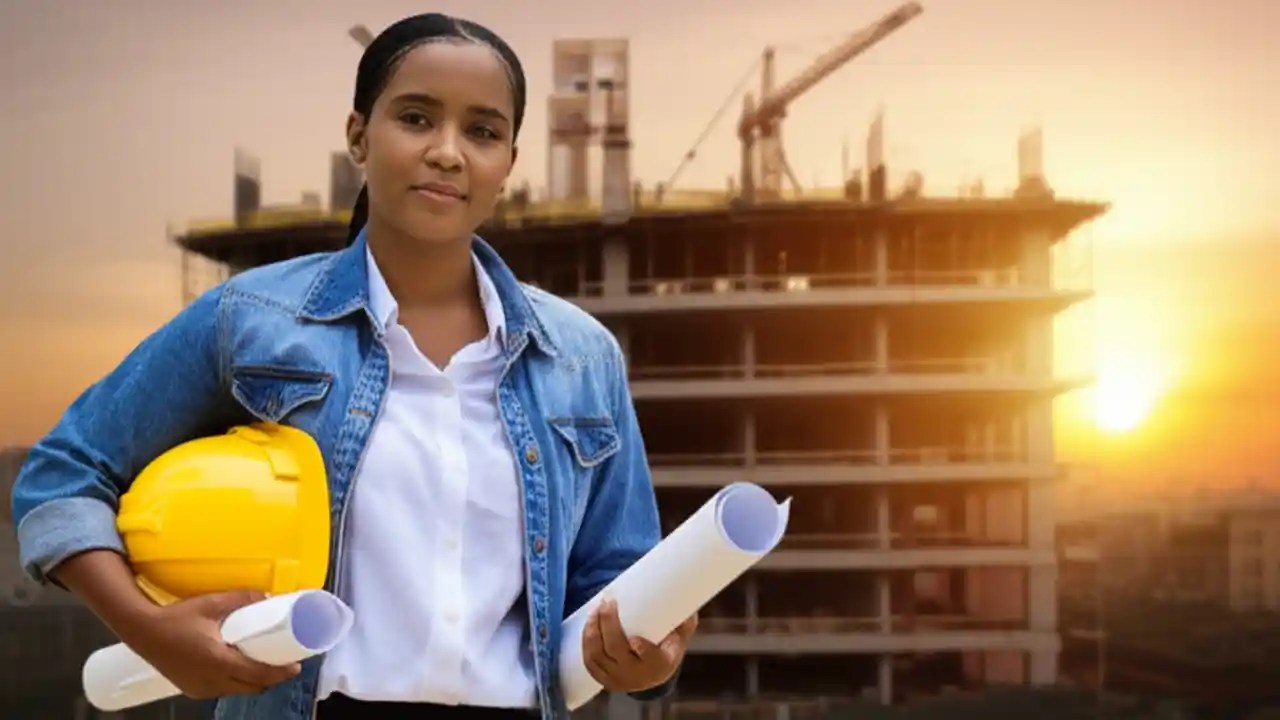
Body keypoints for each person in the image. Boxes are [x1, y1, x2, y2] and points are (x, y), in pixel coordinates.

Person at [9, 13, 694, 720]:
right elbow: (62, 475)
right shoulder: (251, 321)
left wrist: (651, 654)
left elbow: (620, 590)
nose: (448, 153)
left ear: (509, 165)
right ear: (359, 137)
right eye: (417, 118)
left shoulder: (582, 358)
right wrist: (148, 631)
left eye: (483, 132)